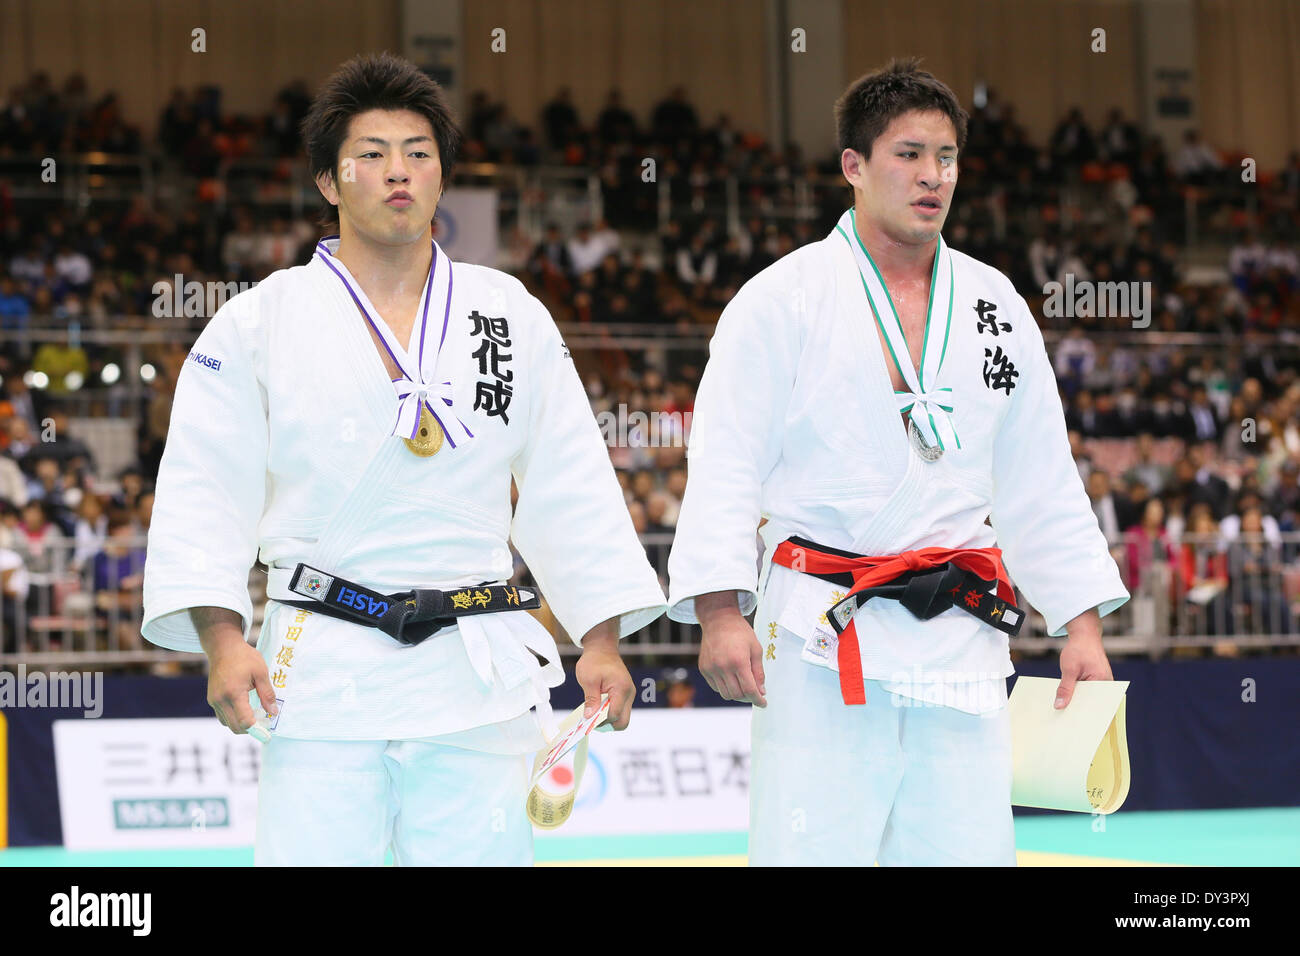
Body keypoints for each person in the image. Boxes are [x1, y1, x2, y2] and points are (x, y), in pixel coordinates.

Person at [142, 53, 666, 867]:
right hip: (319, 669)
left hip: (475, 670)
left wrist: (600, 640)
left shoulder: (507, 313)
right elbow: (205, 489)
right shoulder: (257, 322)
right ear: (328, 180)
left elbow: (570, 481)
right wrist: (221, 638)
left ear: (442, 178)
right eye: (373, 153)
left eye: (420, 153)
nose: (399, 172)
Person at [667, 58, 1128, 866]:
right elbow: (725, 460)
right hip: (820, 635)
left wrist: (1079, 624)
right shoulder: (783, 298)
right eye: (908, 154)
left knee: (965, 853)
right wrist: (718, 610)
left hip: (961, 637)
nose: (932, 177)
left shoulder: (995, 306)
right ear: (854, 166)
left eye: (946, 157)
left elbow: (1040, 477)